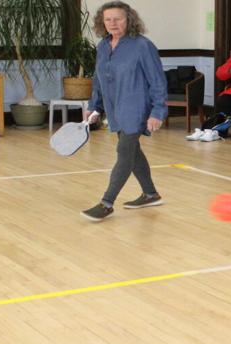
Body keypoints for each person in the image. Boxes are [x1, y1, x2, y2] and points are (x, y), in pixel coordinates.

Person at [81, 2, 167, 220]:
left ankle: (106, 203)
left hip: (137, 108)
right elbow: (99, 79)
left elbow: (157, 81)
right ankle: (150, 194)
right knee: (133, 151)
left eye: (118, 18)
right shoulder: (103, 46)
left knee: (124, 151)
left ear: (129, 19)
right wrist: (95, 106)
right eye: (108, 19)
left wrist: (158, 111)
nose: (113, 23)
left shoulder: (142, 46)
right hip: (115, 108)